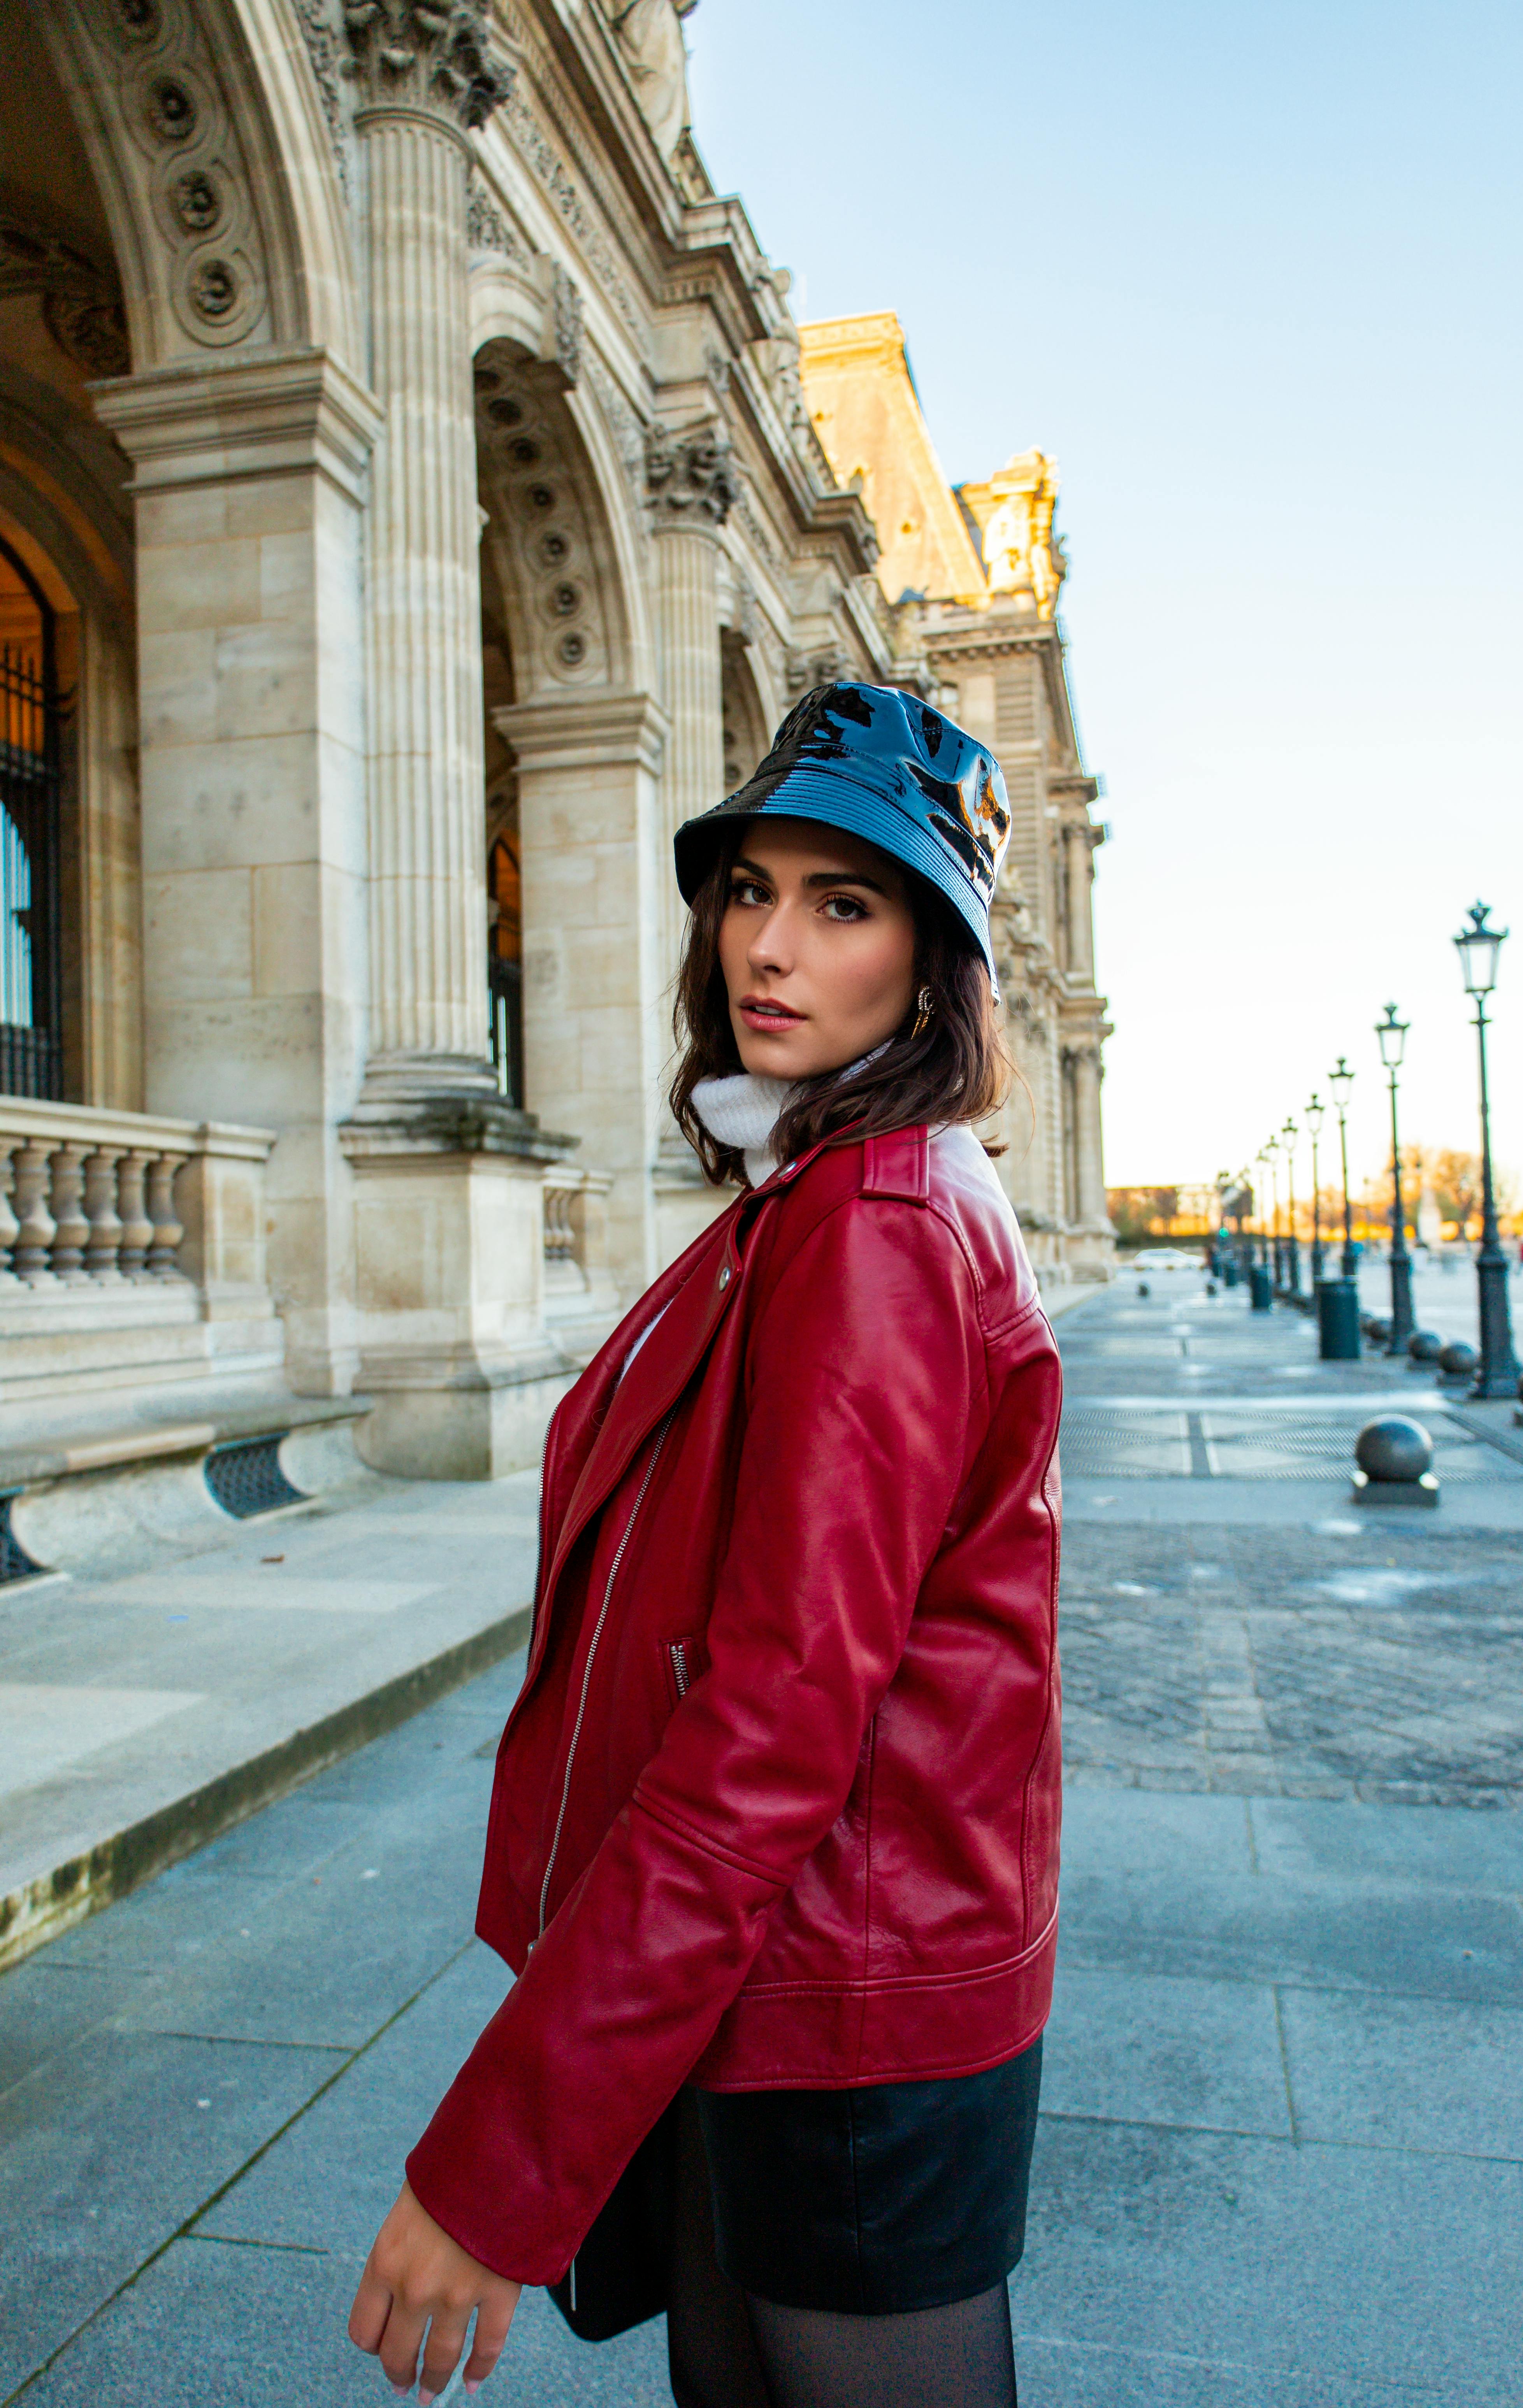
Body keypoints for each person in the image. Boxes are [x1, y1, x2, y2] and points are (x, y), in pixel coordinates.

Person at [348, 683, 1064, 2408]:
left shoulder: (872, 1223)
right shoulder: (820, 1192)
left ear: (931, 957)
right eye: (751, 888)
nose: (771, 944)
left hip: (843, 2004)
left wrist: (499, 2158)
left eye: (845, 901)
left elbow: (771, 1727)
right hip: (800, 1972)